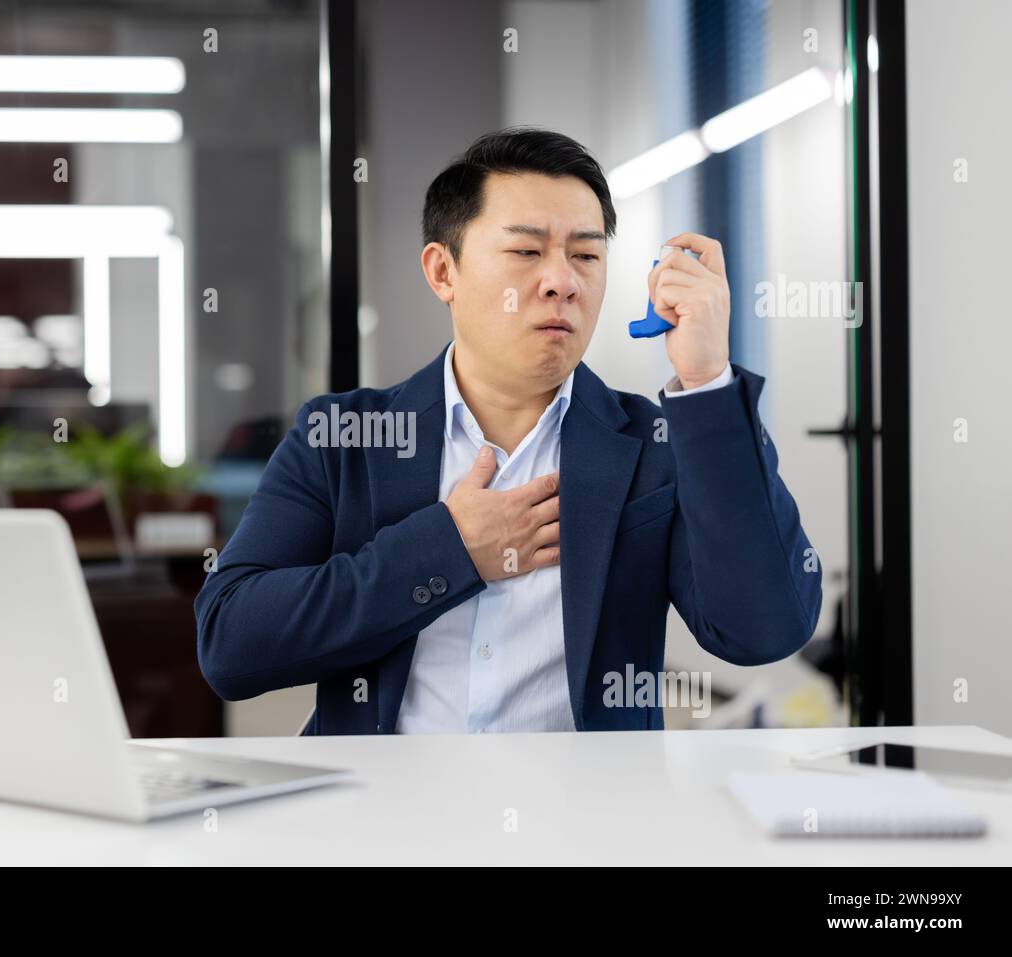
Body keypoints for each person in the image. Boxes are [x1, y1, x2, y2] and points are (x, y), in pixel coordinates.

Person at [195, 127, 822, 735]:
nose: (562, 281)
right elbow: (232, 643)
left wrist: (708, 382)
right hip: (384, 820)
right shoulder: (346, 437)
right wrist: (449, 550)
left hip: (583, 824)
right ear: (443, 272)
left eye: (585, 255)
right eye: (526, 252)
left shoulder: (656, 445)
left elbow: (762, 630)